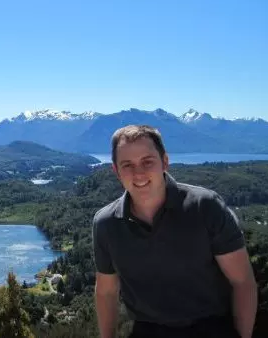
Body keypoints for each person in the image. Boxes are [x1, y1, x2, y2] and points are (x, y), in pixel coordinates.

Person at [92, 125, 257, 338]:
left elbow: (242, 281)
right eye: (127, 165)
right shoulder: (106, 224)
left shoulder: (205, 207)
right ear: (116, 171)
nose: (139, 173)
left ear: (165, 162)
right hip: (147, 331)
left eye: (147, 161)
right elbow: (106, 292)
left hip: (211, 328)